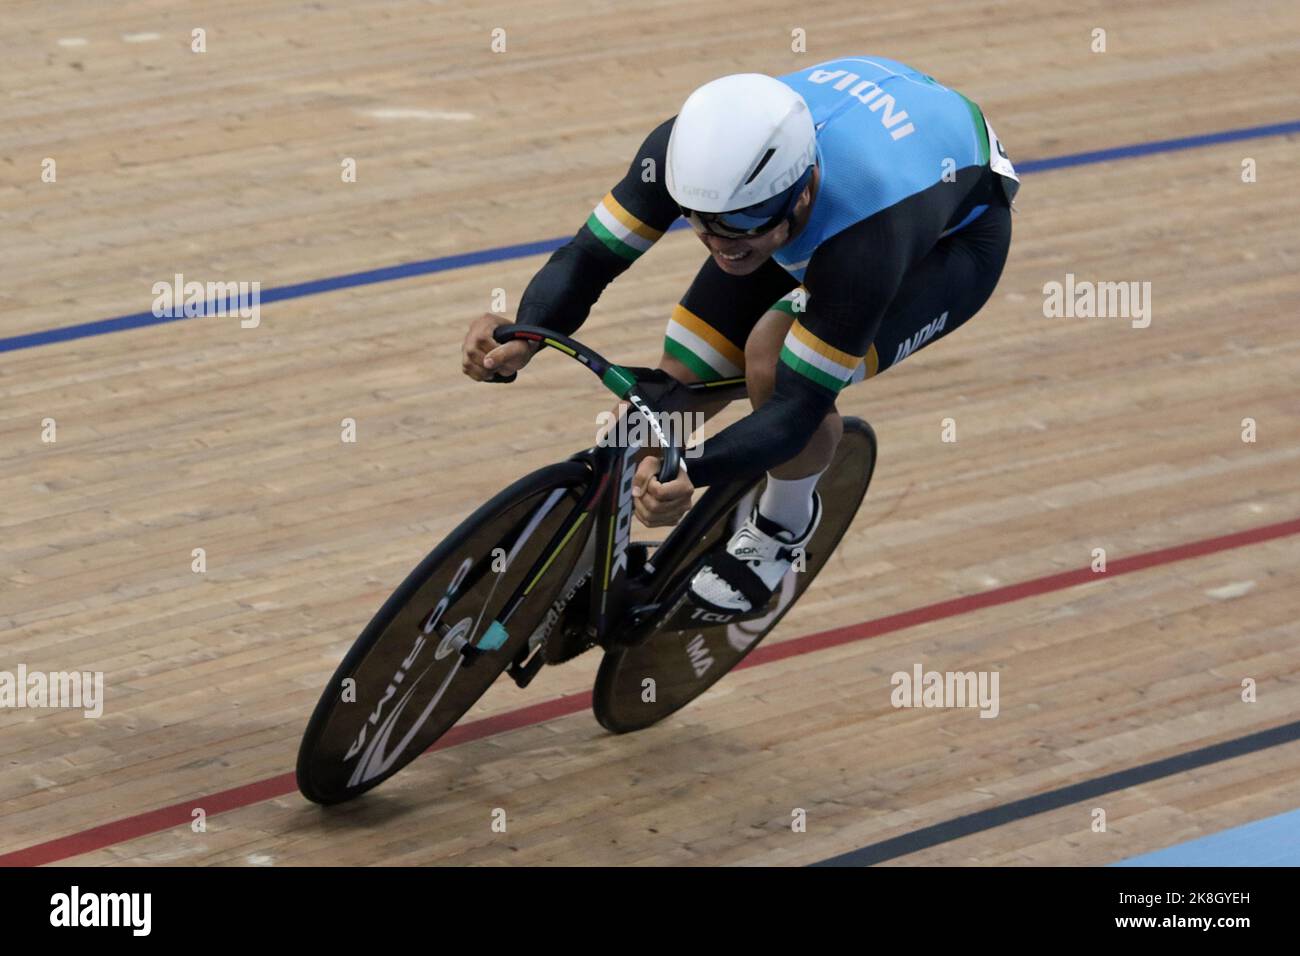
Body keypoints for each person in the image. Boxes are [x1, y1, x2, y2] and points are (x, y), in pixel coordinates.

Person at [461, 56, 1018, 616]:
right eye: (699, 221)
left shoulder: (868, 236)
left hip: (949, 240)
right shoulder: (682, 157)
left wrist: (693, 471)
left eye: (739, 224)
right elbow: (588, 258)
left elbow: (798, 408)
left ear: (801, 192)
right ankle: (587, 560)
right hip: (830, 176)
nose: (719, 241)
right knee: (667, 396)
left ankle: (783, 525)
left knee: (772, 360)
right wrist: (529, 330)